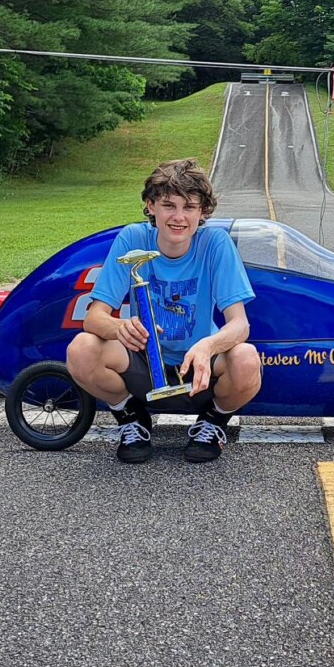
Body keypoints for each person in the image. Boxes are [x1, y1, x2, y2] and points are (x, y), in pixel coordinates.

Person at [67, 158, 263, 464]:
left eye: (190, 207)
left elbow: (240, 326)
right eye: (169, 205)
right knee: (81, 350)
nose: (179, 217)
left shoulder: (215, 243)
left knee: (247, 359)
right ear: (150, 206)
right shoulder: (133, 239)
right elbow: (93, 317)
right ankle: (130, 417)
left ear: (203, 212)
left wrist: (208, 345)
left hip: (198, 368)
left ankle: (212, 423)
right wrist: (119, 328)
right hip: (145, 366)